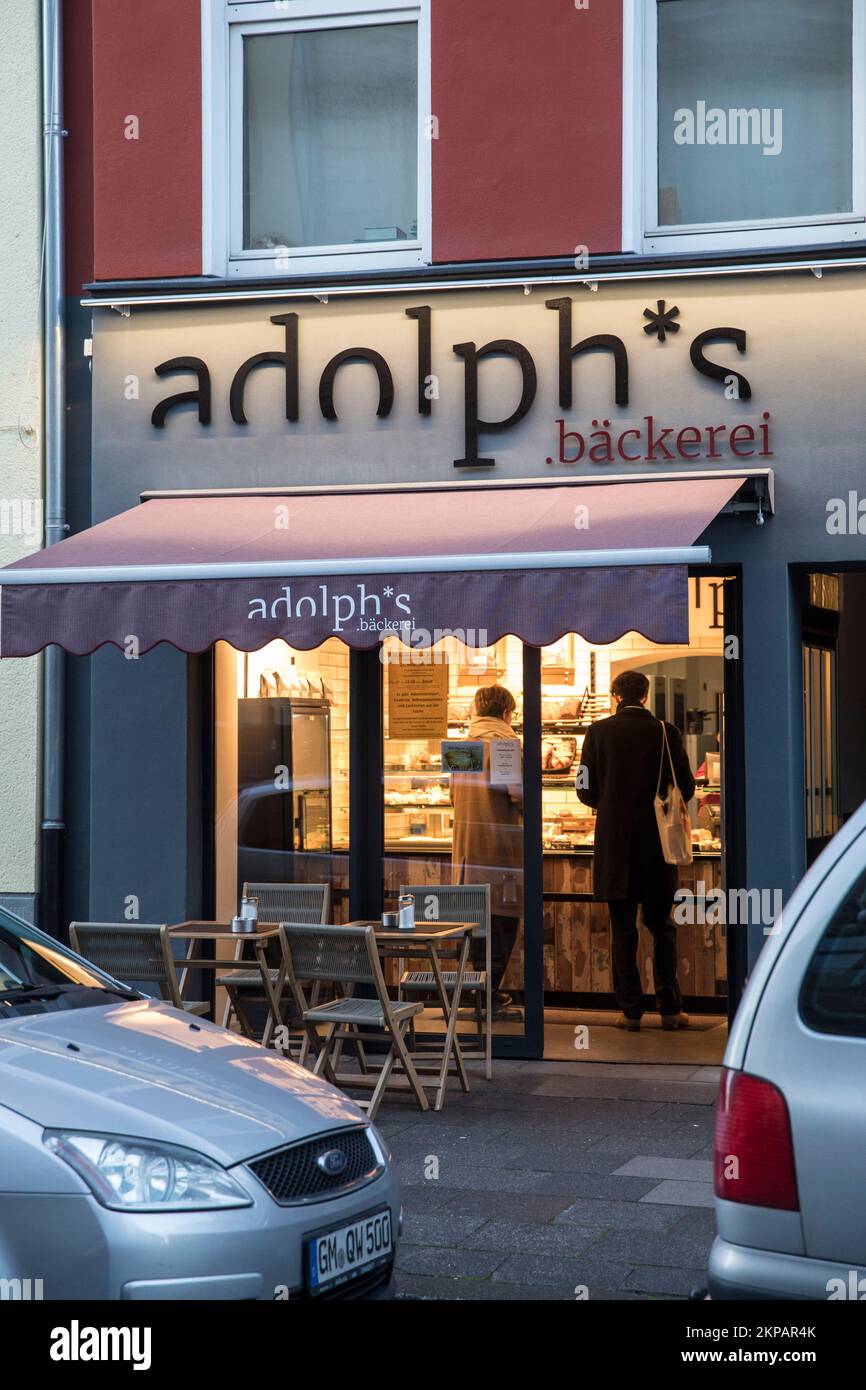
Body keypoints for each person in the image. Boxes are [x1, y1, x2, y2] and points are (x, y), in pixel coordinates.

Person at [576, 669, 695, 1032]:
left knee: (623, 930)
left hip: (614, 845)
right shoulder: (665, 732)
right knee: (662, 928)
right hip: (657, 846)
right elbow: (686, 786)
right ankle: (670, 1009)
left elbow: (583, 788)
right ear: (645, 695)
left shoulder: (597, 732)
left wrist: (609, 805)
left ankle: (630, 1012)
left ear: (615, 696)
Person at [451, 684, 523, 1020]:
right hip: (500, 850)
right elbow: (517, 793)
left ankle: (479, 991)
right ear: (507, 713)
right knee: (502, 924)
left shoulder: (463, 744)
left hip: (466, 848)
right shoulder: (504, 743)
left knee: (475, 922)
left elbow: (455, 796)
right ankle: (488, 995)